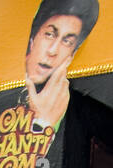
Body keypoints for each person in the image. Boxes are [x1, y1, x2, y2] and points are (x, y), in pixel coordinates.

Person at [22, 0, 99, 132]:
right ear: (33, 37)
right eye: (50, 34)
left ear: (71, 56)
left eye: (67, 41)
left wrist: (43, 123)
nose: (52, 51)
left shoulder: (70, 107)